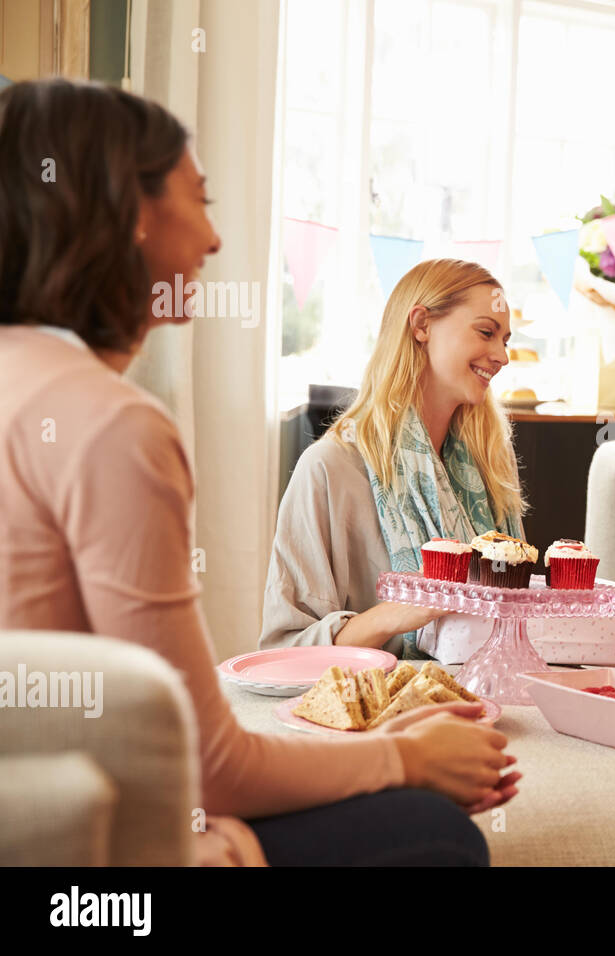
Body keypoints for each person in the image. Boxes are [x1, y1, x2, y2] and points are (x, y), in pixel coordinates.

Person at [0, 79, 518, 865]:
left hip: (64, 785)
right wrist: (402, 759)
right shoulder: (113, 423)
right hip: (83, 839)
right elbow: (209, 762)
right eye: (198, 199)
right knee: (437, 834)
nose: (213, 239)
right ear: (127, 214)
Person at [260, 258, 527, 660]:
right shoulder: (328, 469)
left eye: (504, 340)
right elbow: (284, 652)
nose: (502, 356)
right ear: (421, 325)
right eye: (486, 332)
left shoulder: (489, 468)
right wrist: (399, 612)